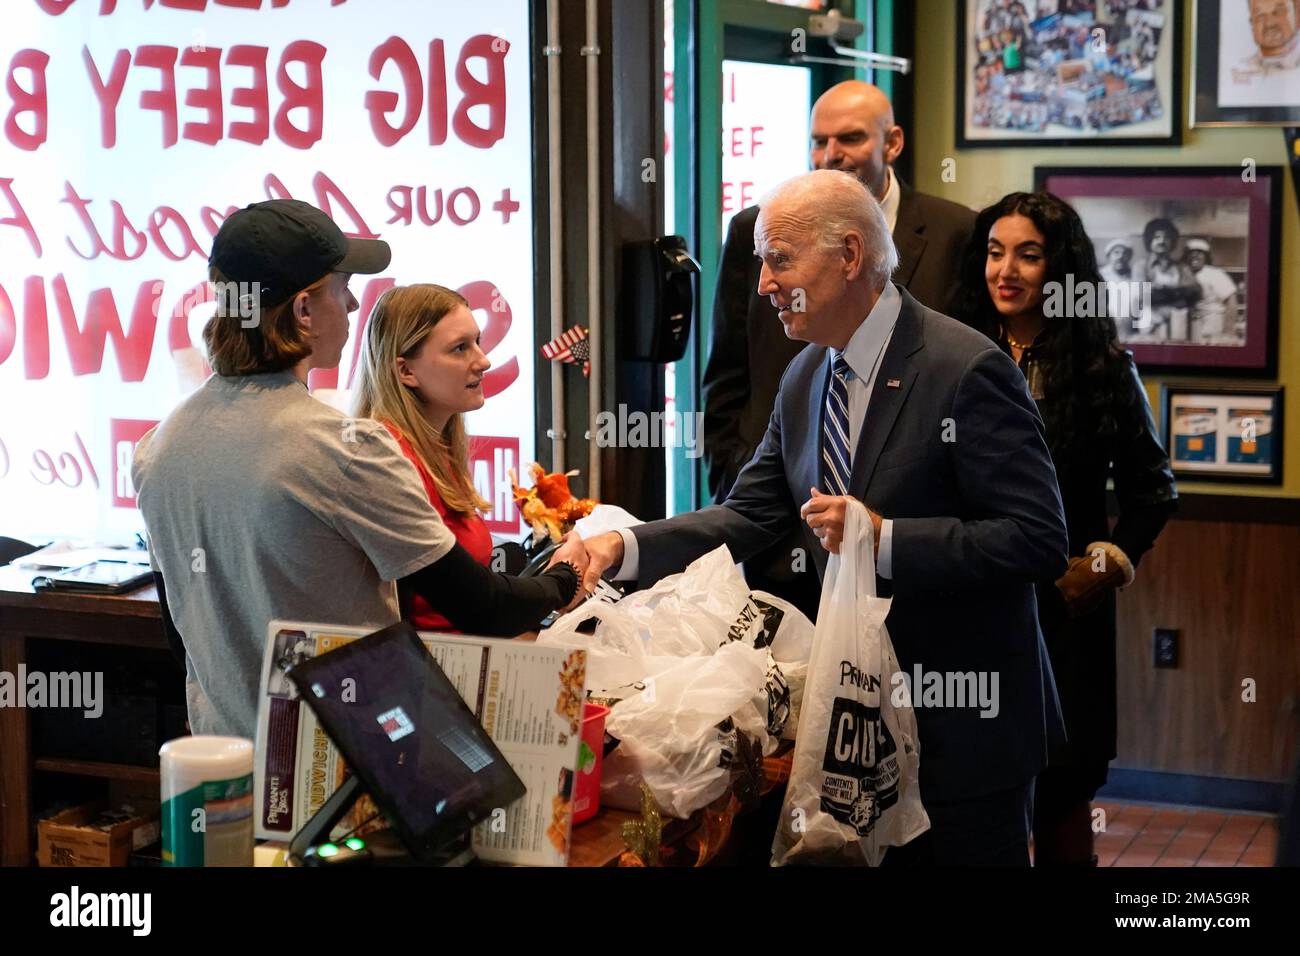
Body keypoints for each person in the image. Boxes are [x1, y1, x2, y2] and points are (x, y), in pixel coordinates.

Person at [583, 170, 1069, 866]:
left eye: (779, 259)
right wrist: (617, 548)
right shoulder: (806, 374)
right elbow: (750, 513)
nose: (763, 284)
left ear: (848, 255)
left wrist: (885, 539)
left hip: (962, 732)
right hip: (848, 729)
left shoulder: (966, 369)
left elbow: (1038, 539)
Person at [133, 200, 585, 739]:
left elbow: (179, 626)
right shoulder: (344, 449)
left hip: (224, 770)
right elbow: (481, 607)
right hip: (342, 773)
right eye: (341, 288)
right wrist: (567, 576)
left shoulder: (156, 450)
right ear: (304, 310)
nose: (351, 304)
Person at [954, 191, 1178, 866]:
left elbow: (1153, 490)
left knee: (1061, 796)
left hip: (1064, 611)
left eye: (1028, 254)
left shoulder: (1104, 367)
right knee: (971, 791)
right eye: (995, 252)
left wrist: (1106, 565)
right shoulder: (951, 356)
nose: (1007, 270)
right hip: (969, 602)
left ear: (1061, 268)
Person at [702, 81, 976, 619]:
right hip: (779, 525)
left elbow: (1028, 536)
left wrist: (885, 534)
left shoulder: (957, 237)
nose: (831, 155)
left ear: (891, 142)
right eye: (818, 140)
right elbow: (728, 375)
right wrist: (734, 482)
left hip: (911, 575)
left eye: (849, 137)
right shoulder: (758, 235)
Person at [351, 284, 497, 632]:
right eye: (460, 348)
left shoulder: (436, 449)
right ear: (405, 371)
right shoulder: (389, 459)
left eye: (477, 341)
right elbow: (475, 602)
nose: (483, 360)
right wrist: (564, 577)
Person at [1138, 217, 1201, 341]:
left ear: (1172, 242)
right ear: (1149, 241)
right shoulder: (1141, 266)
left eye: (1166, 237)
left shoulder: (1181, 267)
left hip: (1179, 321)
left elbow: (1195, 292)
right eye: (1157, 237)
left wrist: (1160, 292)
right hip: (1152, 322)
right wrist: (1178, 294)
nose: (1162, 241)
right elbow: (1142, 295)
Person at [1184, 238, 1241, 343]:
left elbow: (1231, 301)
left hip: (1213, 325)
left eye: (1199, 253)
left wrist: (1228, 332)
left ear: (1206, 257)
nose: (1194, 256)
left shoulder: (1215, 274)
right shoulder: (1184, 274)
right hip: (1190, 327)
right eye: (1191, 253)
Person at [1232, 0, 1300, 84]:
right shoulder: (1239, 71)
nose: (1269, 23)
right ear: (1252, 23)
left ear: (1298, 15)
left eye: (1279, 12)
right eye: (1260, 15)